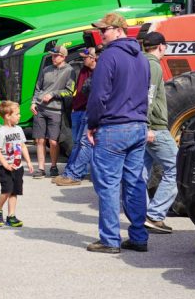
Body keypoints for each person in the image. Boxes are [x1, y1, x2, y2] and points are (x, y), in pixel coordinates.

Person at [84, 13, 150, 253]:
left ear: (119, 30)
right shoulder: (142, 58)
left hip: (113, 127)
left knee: (109, 185)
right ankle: (139, 237)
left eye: (105, 30)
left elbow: (99, 95)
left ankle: (110, 239)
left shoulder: (109, 55)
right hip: (138, 125)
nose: (101, 35)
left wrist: (92, 123)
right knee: (134, 183)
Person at [140, 31, 177, 234]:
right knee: (176, 167)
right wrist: (147, 127)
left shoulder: (140, 62)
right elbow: (149, 96)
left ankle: (141, 215)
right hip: (155, 128)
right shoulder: (153, 65)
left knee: (141, 173)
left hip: (145, 127)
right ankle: (154, 216)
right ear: (162, 46)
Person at [53, 43, 98, 187]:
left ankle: (74, 174)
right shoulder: (84, 71)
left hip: (89, 110)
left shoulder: (99, 72)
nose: (83, 60)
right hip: (79, 110)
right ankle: (71, 171)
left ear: (93, 58)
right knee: (78, 142)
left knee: (85, 143)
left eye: (86, 57)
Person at [32, 43, 75, 174]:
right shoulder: (46, 70)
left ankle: (54, 166)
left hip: (56, 110)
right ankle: (40, 168)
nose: (53, 58)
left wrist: (53, 94)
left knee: (53, 141)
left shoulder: (70, 71)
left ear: (64, 57)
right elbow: (38, 88)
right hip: (40, 109)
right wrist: (33, 102)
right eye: (52, 56)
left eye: (56, 56)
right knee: (40, 140)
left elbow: (69, 91)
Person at [0, 100, 30, 228]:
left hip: (18, 166)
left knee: (14, 191)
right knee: (6, 190)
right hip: (5, 167)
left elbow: (23, 146)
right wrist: (6, 165)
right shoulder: (1, 132)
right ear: (8, 116)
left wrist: (28, 162)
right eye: (17, 114)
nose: (19, 116)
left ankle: (11, 216)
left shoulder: (19, 129)